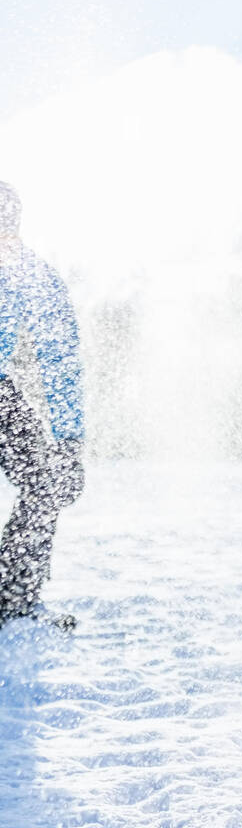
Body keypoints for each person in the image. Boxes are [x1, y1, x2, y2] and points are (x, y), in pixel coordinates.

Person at [0, 182, 85, 630]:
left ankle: (14, 600)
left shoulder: (32, 277)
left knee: (46, 481)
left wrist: (69, 440)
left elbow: (60, 359)